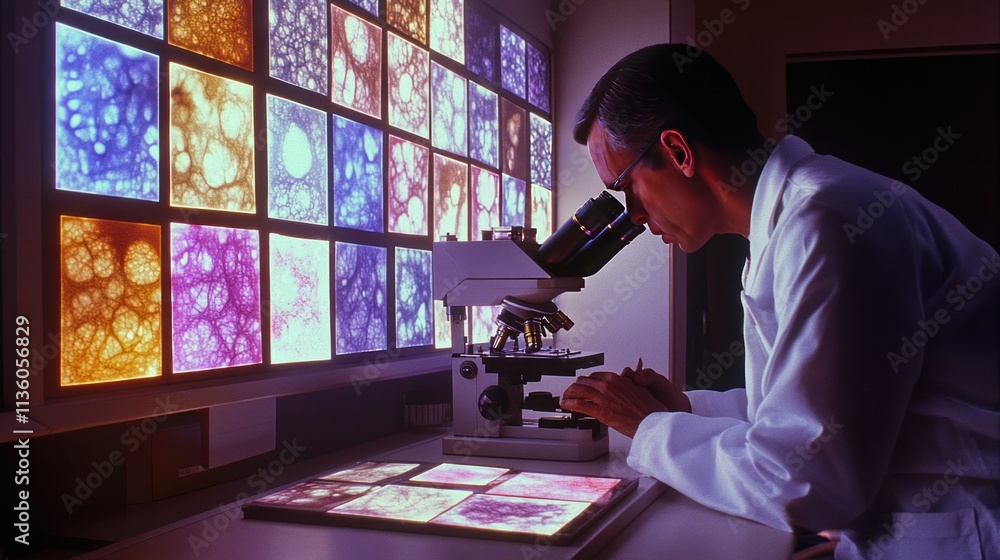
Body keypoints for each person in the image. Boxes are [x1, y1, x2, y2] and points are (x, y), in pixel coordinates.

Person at [559, 43, 999, 560]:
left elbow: (809, 484)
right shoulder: (797, 216)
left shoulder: (828, 221)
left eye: (626, 186)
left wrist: (649, 428)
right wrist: (686, 408)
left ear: (678, 151)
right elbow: (814, 408)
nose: (631, 215)